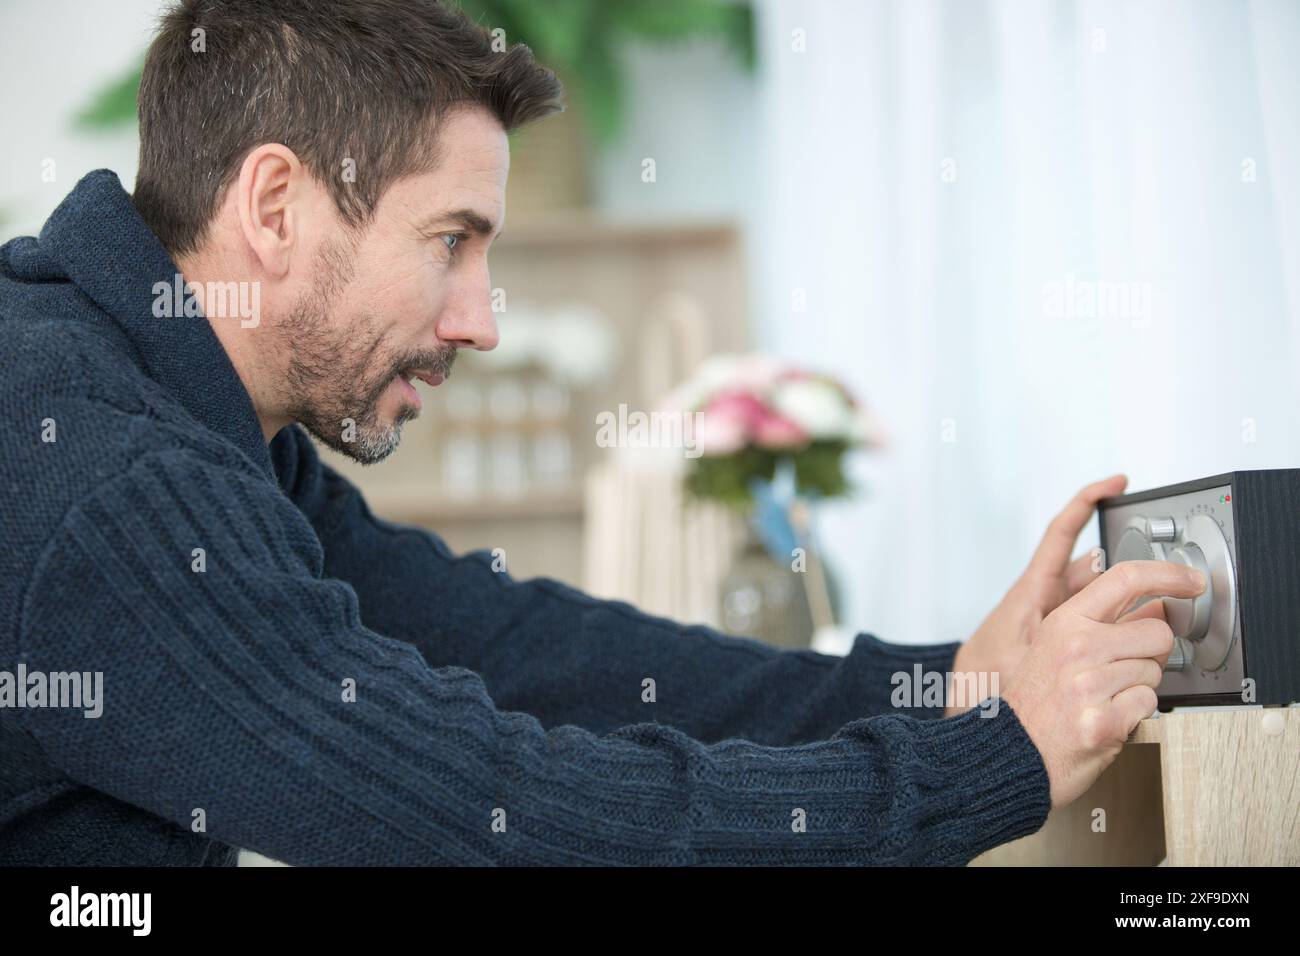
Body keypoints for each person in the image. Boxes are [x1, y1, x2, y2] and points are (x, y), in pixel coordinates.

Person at [0, 0, 1203, 866]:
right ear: (275, 206)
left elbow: (517, 649)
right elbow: (493, 807)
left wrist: (946, 684)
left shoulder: (188, 412)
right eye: (449, 241)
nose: (478, 320)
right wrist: (991, 760)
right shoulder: (115, 486)